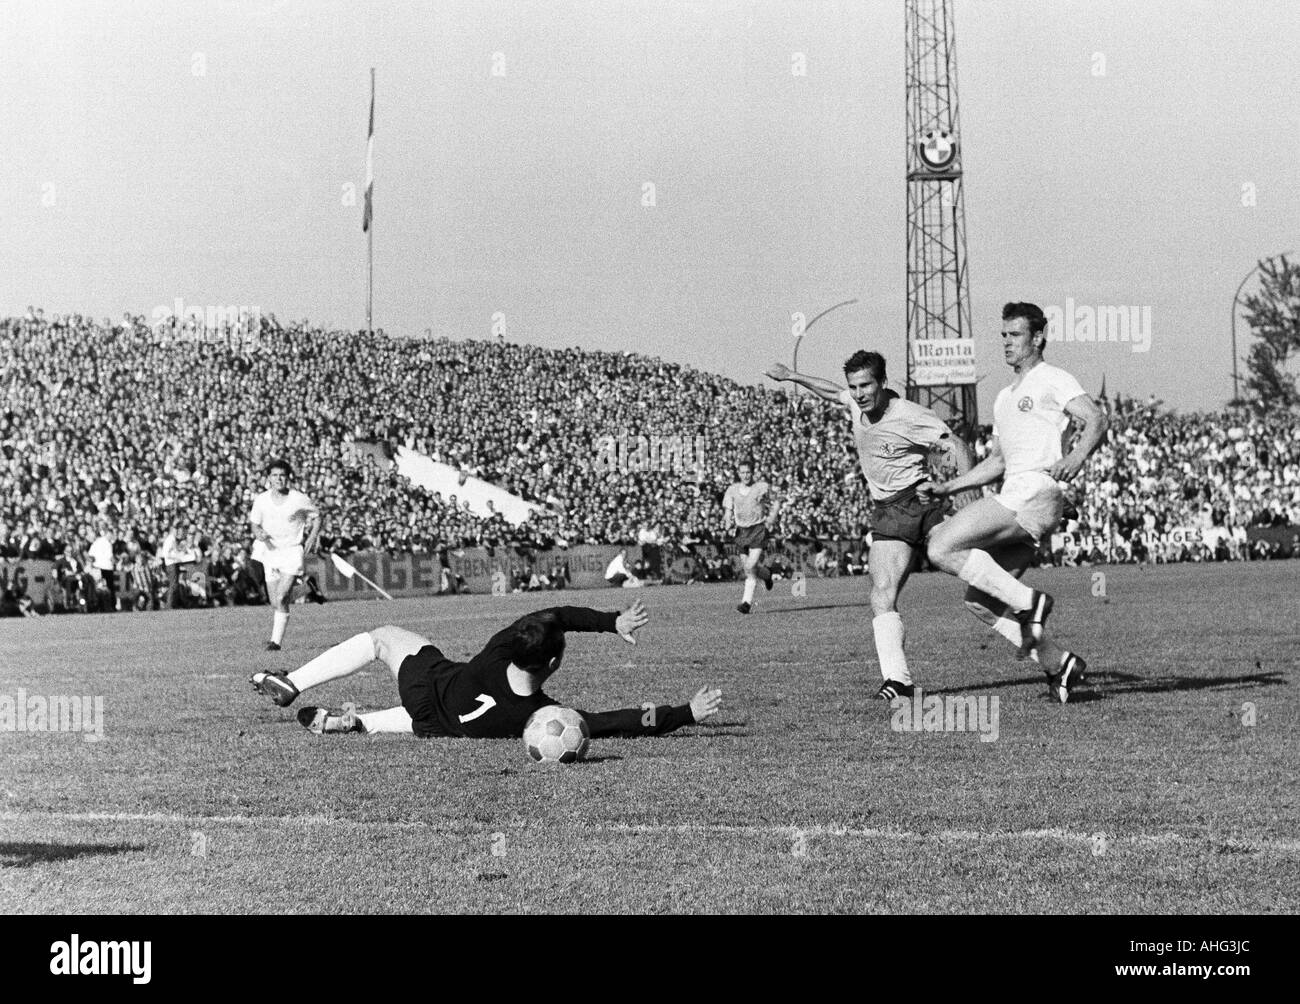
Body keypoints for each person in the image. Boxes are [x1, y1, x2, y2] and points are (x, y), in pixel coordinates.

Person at [921, 302, 1109, 703]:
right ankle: (1060, 665)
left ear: (1038, 337)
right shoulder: (1005, 398)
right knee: (981, 601)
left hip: (1034, 494)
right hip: (1018, 495)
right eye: (1003, 335)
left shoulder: (1052, 378)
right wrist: (948, 488)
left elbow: (1095, 418)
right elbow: (999, 462)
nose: (1006, 342)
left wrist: (1075, 458)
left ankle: (1033, 602)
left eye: (1015, 335)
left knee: (940, 545)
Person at [767, 351, 967, 700]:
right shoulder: (855, 404)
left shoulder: (910, 414)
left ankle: (1032, 619)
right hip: (888, 511)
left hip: (920, 502)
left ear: (883, 383)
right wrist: (792, 376)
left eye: (866, 385)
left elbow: (955, 443)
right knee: (881, 594)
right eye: (854, 386)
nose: (858, 394)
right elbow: (831, 392)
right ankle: (898, 680)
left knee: (967, 569)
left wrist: (967, 491)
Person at [249, 601, 723, 739]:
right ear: (554, 664)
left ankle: (295, 683)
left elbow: (556, 614)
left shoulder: (499, 648)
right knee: (436, 717)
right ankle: (363, 723)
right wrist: (686, 712)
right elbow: (614, 721)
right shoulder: (539, 716)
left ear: (519, 644)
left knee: (384, 637)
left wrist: (608, 622)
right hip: (438, 727)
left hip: (427, 688)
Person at [248, 459, 320, 651]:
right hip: (270, 552)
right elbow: (254, 523)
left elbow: (317, 516)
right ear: (268, 478)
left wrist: (312, 536)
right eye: (274, 475)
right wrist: (258, 533)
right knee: (275, 601)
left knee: (281, 597)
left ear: (287, 477)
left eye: (282, 475)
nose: (278, 479)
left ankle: (275, 643)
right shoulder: (261, 500)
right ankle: (306, 589)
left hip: (291, 551)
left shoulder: (298, 499)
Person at [722, 459, 778, 614]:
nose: (745, 475)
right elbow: (728, 510)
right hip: (741, 531)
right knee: (750, 568)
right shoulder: (732, 490)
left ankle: (746, 603)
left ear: (753, 472)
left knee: (750, 566)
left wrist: (771, 518)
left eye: (748, 472)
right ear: (738, 473)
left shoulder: (761, 487)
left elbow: (776, 501)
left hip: (758, 530)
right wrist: (727, 521)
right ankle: (766, 574)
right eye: (742, 472)